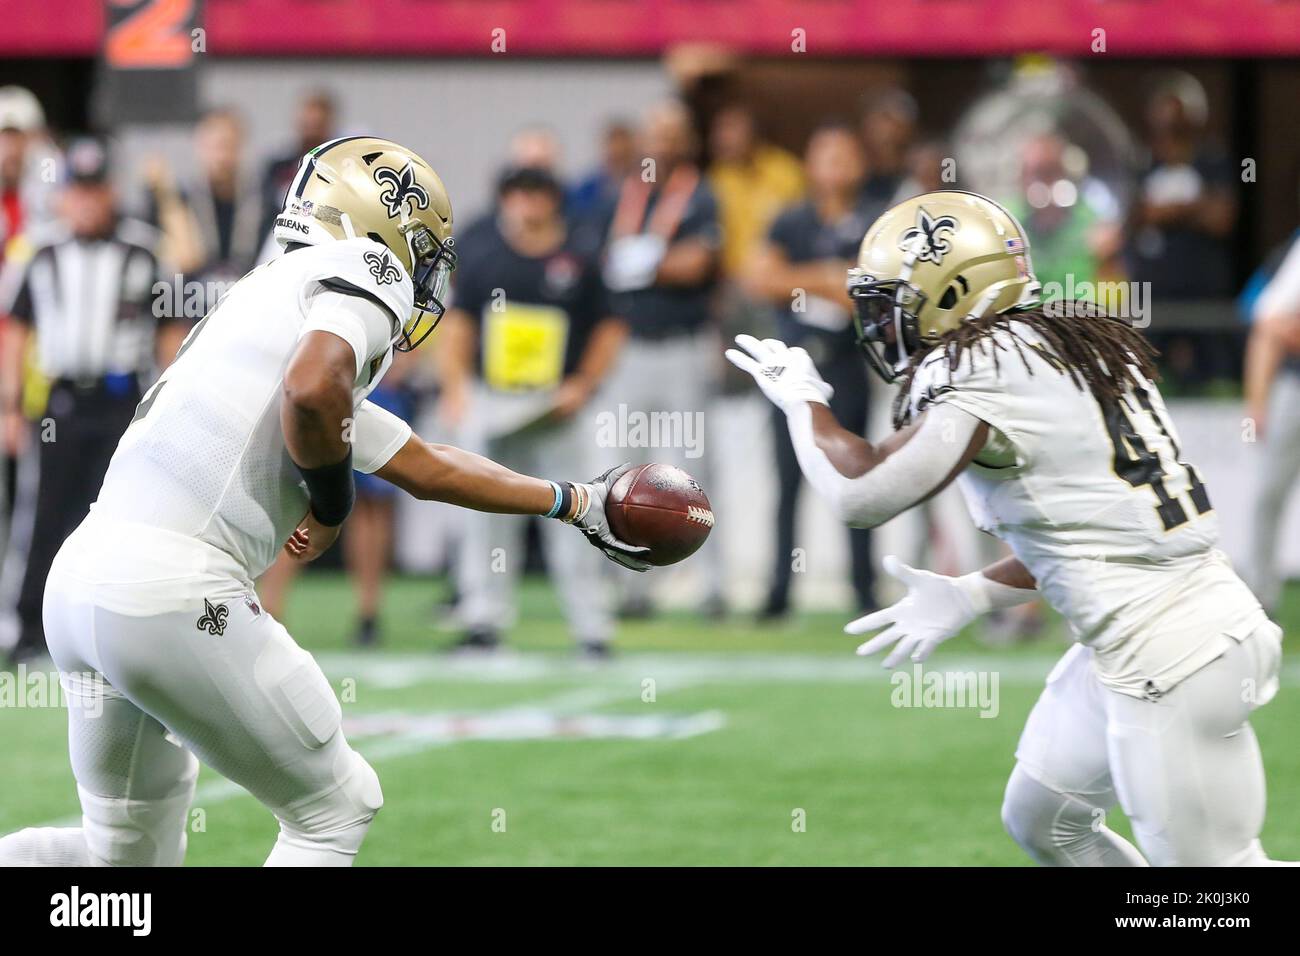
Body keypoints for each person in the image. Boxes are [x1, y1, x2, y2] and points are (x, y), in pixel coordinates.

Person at [0, 137, 647, 868]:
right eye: (420, 248)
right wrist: (334, 506)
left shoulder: (265, 299)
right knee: (333, 809)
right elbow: (313, 390)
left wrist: (574, 501)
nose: (423, 271)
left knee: (118, 860)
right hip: (171, 589)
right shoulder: (359, 268)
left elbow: (425, 464)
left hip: (82, 582)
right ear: (378, 224)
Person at [727, 190, 1288, 867]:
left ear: (952, 288)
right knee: (1045, 819)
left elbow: (860, 493)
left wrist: (804, 404)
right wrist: (971, 595)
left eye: (891, 302)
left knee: (1213, 889)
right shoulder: (1067, 339)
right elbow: (1090, 531)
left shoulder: (981, 364)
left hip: (1170, 654)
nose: (879, 323)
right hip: (1167, 625)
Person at [0, 138, 186, 664]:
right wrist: (9, 407)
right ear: (63, 197)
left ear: (111, 193)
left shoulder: (144, 250)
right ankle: (28, 628)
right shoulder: (40, 252)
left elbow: (169, 331)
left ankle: (115, 627)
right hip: (59, 404)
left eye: (94, 191)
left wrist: (170, 404)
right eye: (76, 192)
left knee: (119, 515)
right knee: (42, 515)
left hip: (121, 401)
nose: (85, 203)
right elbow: (15, 331)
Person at [439, 166, 628, 656]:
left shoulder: (580, 259)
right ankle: (482, 619)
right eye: (518, 195)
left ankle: (591, 628)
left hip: (555, 407)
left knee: (580, 512)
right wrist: (456, 388)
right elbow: (459, 324)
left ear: (552, 201)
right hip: (496, 401)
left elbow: (610, 327)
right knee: (485, 515)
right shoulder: (484, 258)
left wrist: (584, 384)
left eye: (536, 194)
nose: (527, 205)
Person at [743, 121, 879, 619]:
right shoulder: (791, 220)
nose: (836, 168)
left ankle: (864, 589)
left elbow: (866, 290)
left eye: (845, 156)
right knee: (787, 481)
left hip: (845, 364)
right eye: (826, 156)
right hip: (792, 367)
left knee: (856, 476)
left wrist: (812, 281)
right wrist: (823, 276)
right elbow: (759, 278)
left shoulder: (873, 223)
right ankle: (778, 591)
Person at [598, 99, 725, 617]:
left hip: (681, 344)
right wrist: (656, 262)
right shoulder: (623, 192)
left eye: (674, 134)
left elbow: (698, 263)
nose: (664, 144)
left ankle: (710, 586)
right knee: (621, 475)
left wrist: (645, 262)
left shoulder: (701, 194)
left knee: (693, 471)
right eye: (658, 133)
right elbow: (600, 261)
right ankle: (630, 587)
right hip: (628, 346)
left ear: (687, 142)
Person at [1244, 231, 1300, 613]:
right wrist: (1258, 403)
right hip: (1293, 387)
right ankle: (1260, 598)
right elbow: (1267, 318)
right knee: (1269, 496)